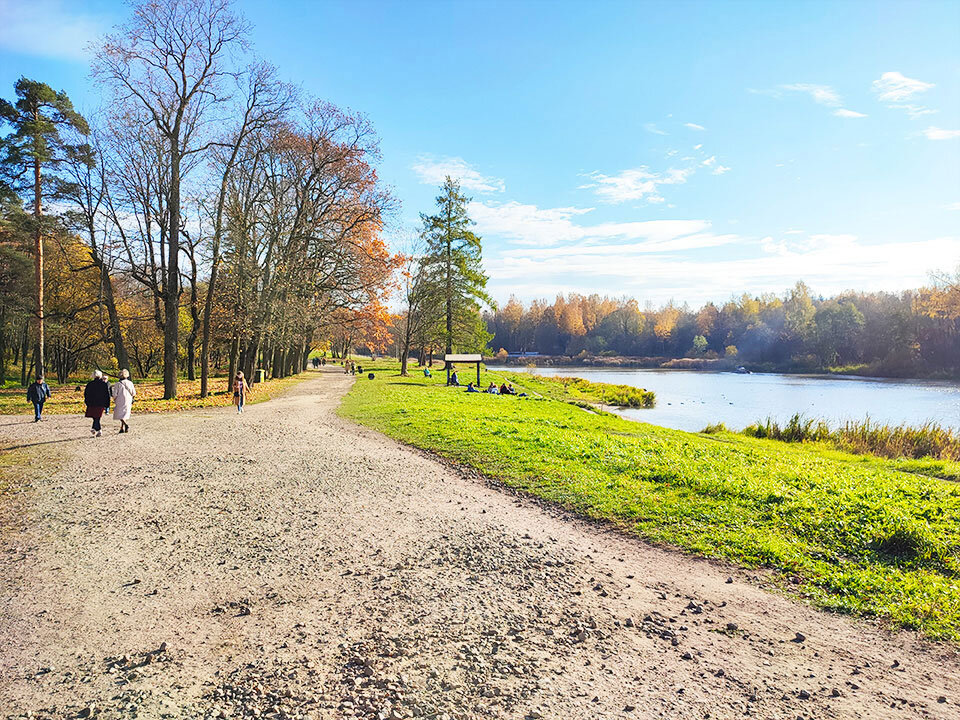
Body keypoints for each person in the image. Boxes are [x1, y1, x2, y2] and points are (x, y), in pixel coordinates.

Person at [84, 370, 111, 437]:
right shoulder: (104, 384)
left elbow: (86, 394)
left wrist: (87, 402)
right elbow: (107, 394)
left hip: (92, 403)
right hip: (101, 403)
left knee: (95, 417)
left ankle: (95, 429)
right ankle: (98, 430)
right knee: (97, 417)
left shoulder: (90, 384)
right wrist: (107, 404)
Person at [111, 369, 137, 433]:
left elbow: (115, 394)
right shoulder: (130, 383)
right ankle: (122, 428)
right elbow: (134, 393)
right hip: (128, 399)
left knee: (119, 413)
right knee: (125, 413)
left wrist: (114, 399)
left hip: (120, 399)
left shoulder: (117, 384)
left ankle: (125, 425)